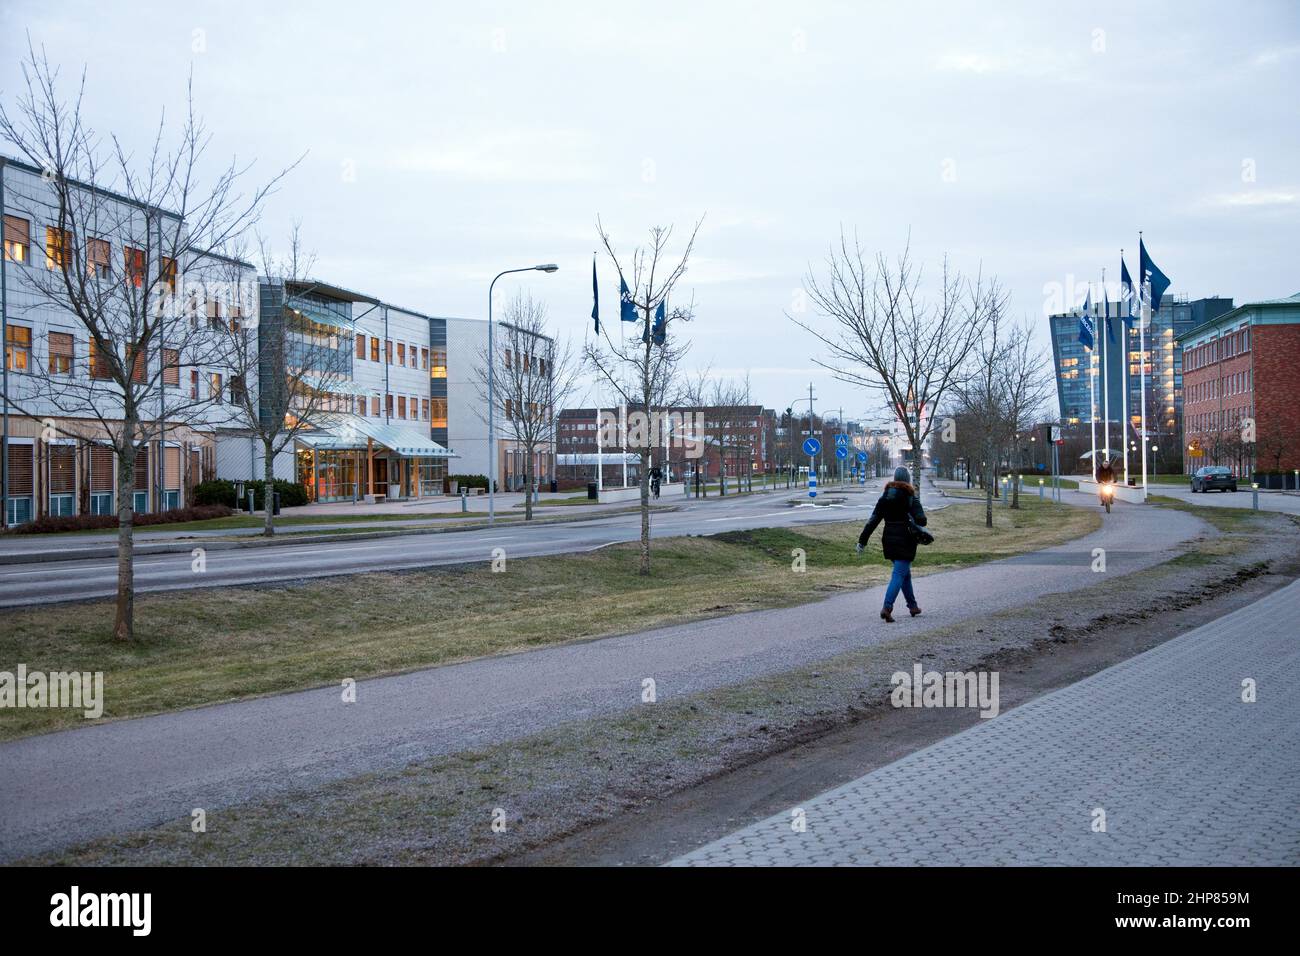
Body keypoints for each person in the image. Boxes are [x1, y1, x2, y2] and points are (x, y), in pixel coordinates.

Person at [856, 466, 928, 623]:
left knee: (904, 574)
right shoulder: (911, 497)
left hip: (888, 540)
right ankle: (887, 607)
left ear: (894, 479)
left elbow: (873, 521)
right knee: (899, 574)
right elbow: (922, 520)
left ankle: (913, 606)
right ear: (908, 479)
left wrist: (862, 541)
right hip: (906, 540)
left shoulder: (885, 497)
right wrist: (914, 511)